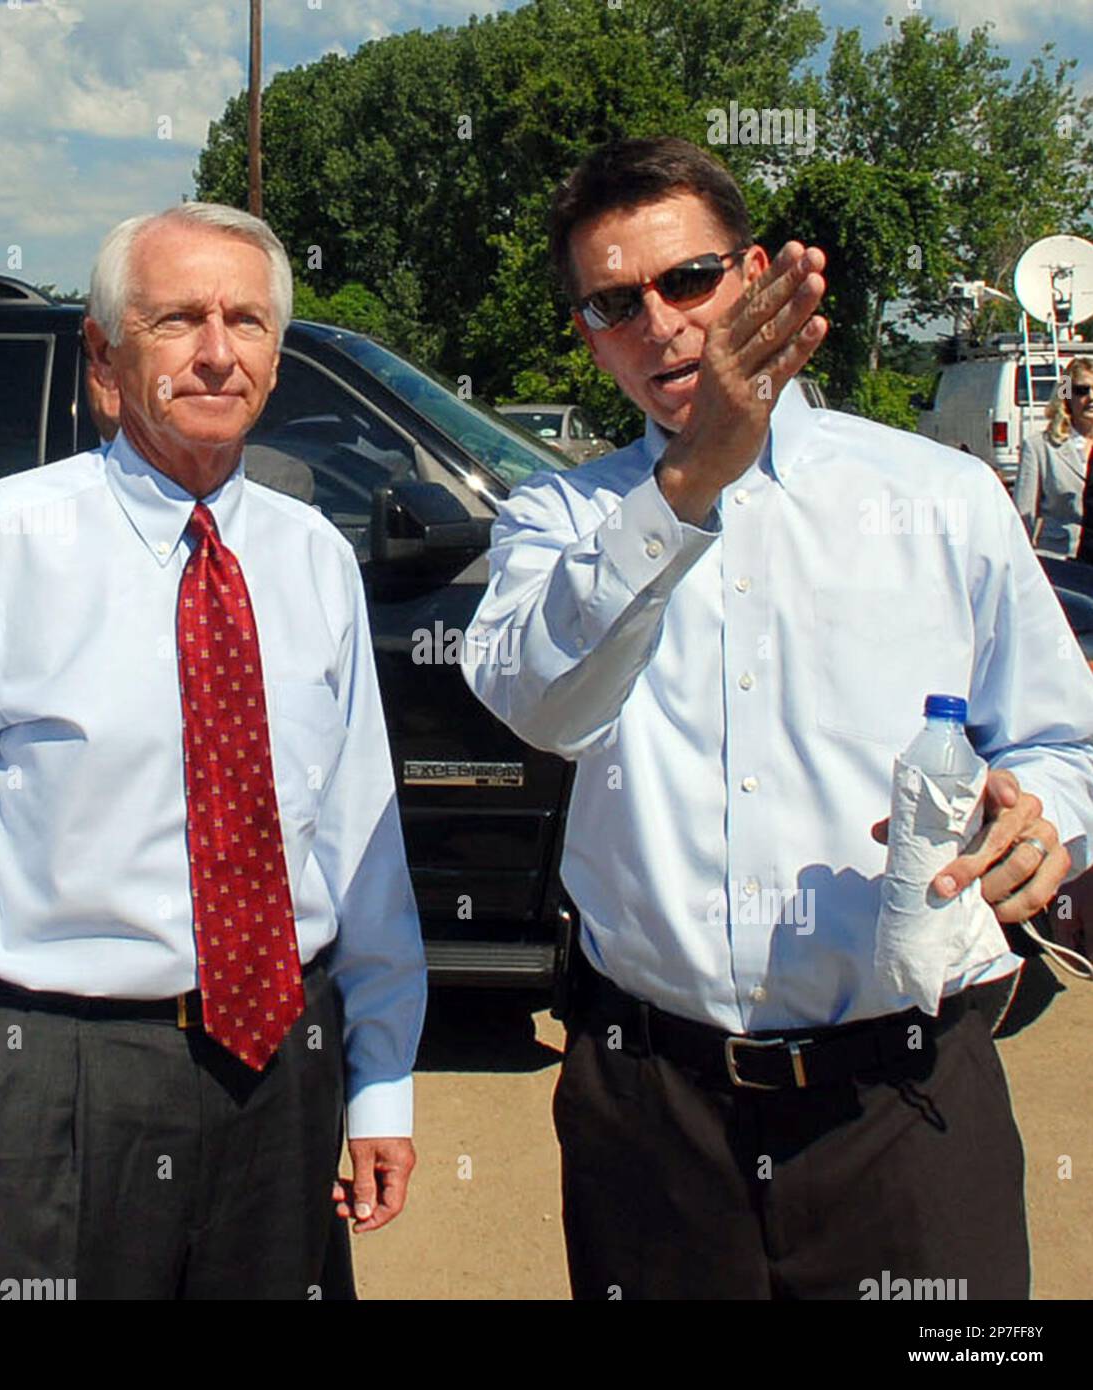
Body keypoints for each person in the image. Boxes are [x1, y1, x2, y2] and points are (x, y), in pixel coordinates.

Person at [462, 136, 1093, 1300]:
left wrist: (1045, 820)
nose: (657, 323)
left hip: (903, 1099)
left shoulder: (938, 499)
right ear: (587, 334)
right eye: (612, 302)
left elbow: (1062, 737)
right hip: (652, 1113)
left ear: (753, 275)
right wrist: (689, 483)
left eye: (687, 280)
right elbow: (545, 705)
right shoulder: (558, 517)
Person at [0, 201, 426, 1300]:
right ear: (106, 360)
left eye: (246, 321)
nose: (218, 351)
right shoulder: (4, 544)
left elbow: (362, 847)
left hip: (281, 1074)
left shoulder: (313, 559)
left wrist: (381, 1075)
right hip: (56, 1079)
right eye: (178, 320)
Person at [1014, 356, 1093, 559]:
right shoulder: (1040, 447)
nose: (1091, 397)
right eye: (1082, 390)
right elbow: (1023, 516)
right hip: (1057, 559)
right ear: (1066, 394)